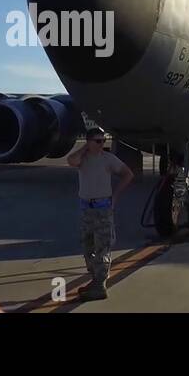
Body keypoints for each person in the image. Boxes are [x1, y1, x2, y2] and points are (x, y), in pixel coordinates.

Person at [66, 128, 134, 300]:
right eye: (97, 141)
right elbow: (71, 161)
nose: (102, 144)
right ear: (88, 142)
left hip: (103, 209)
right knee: (87, 246)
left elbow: (128, 174)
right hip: (86, 210)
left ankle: (100, 285)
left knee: (103, 247)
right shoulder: (83, 159)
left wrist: (115, 197)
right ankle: (95, 279)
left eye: (103, 141)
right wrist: (85, 149)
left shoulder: (108, 159)